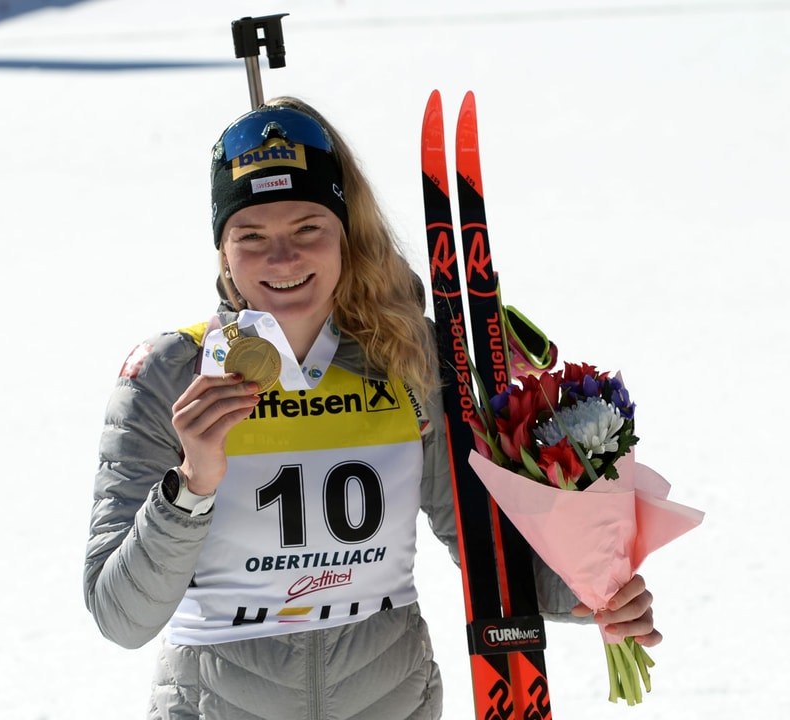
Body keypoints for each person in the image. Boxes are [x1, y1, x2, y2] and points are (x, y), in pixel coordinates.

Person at [83, 96, 661, 720]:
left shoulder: (407, 360)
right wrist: (192, 486)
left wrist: (591, 591)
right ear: (222, 249)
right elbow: (122, 617)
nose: (283, 259)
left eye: (309, 228)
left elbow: (479, 535)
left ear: (345, 236)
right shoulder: (168, 373)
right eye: (251, 236)